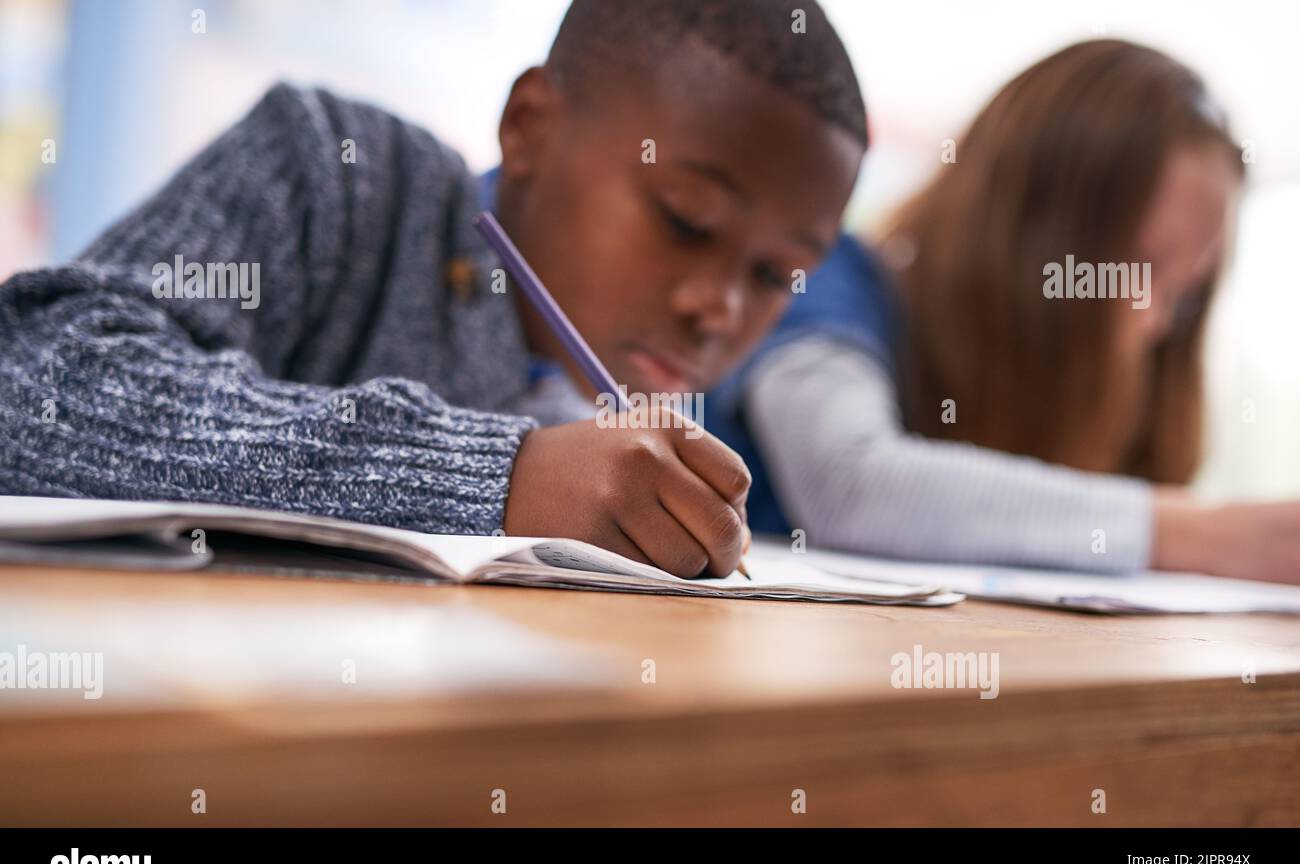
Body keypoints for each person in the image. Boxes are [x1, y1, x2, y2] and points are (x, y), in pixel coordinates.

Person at [0, 0, 867, 579]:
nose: (718, 307)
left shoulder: (660, 404)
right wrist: (496, 476)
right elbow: (33, 379)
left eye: (771, 274)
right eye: (684, 217)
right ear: (530, 125)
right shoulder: (339, 171)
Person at [710, 39, 1300, 585]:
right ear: (1034, 236)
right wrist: (1213, 534)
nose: (1155, 323)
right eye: (1135, 269)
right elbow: (848, 483)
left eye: (1182, 294)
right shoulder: (828, 279)